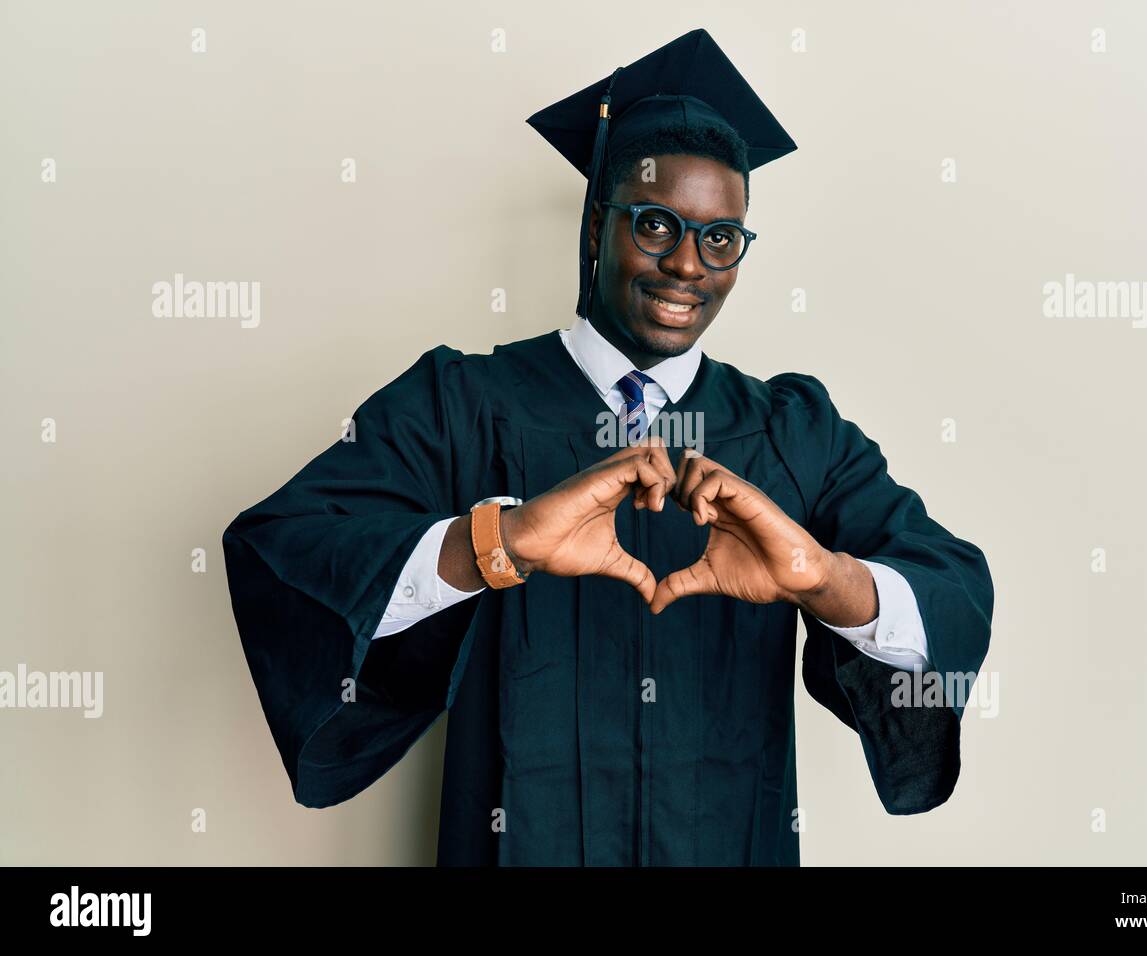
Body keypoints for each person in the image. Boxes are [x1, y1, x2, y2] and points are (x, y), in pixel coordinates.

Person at [222, 28, 994, 866]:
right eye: (657, 224)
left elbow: (953, 590)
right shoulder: (462, 405)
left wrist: (826, 579)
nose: (689, 265)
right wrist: (496, 543)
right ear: (597, 226)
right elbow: (287, 548)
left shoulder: (791, 428)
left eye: (721, 237)